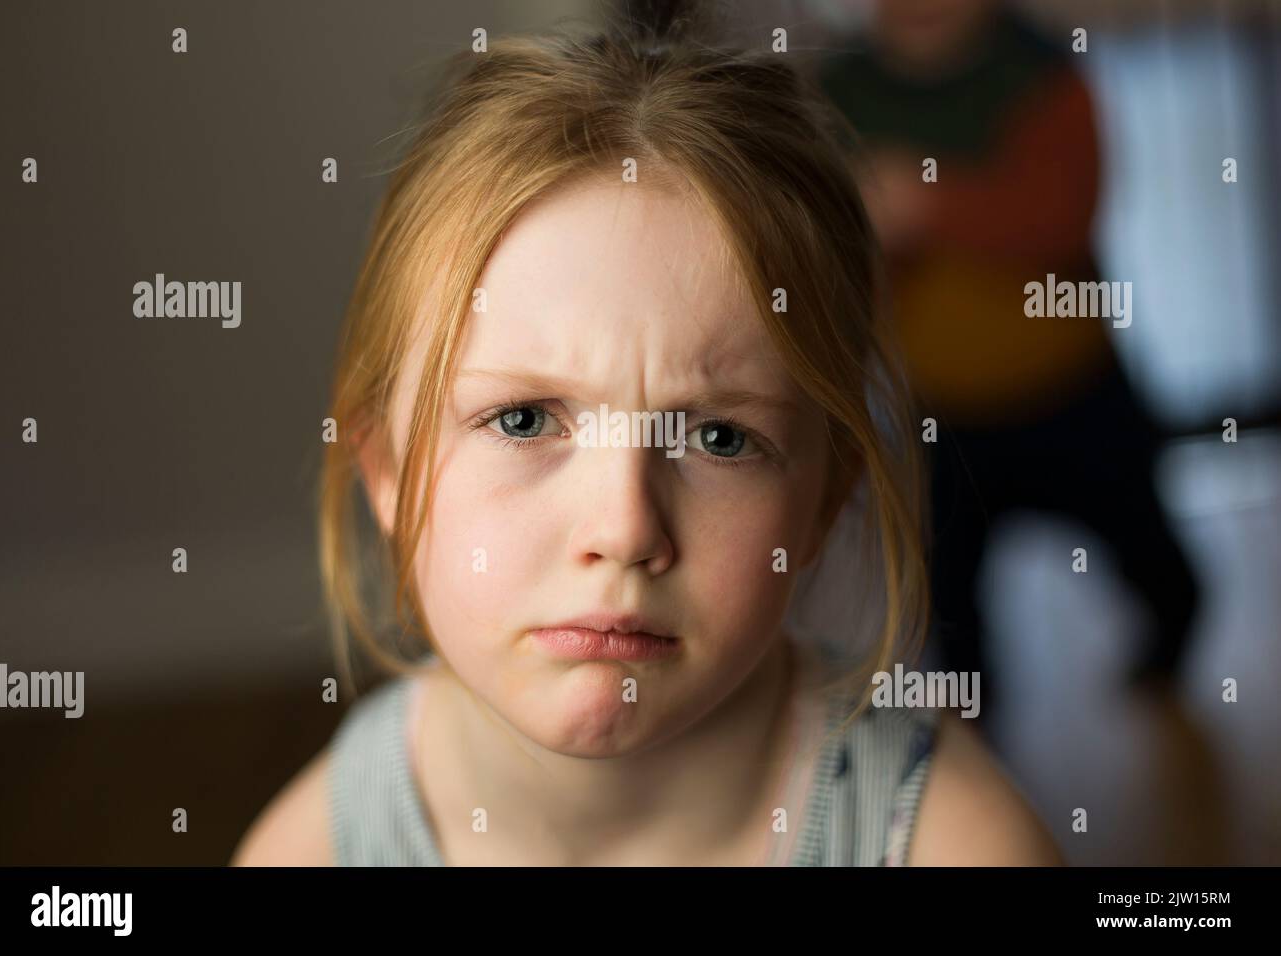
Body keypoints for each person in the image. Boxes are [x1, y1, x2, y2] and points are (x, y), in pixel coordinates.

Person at [232, 0, 1060, 867]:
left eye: (721, 439)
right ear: (386, 473)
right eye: (521, 420)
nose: (625, 527)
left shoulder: (953, 846)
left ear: (829, 494)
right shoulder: (317, 852)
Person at [819, 0, 1200, 719]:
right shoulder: (840, 93)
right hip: (941, 409)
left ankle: (1172, 632)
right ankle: (974, 725)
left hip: (1073, 390)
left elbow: (1060, 219)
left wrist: (928, 205)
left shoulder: (1044, 78)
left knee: (1142, 542)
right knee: (948, 589)